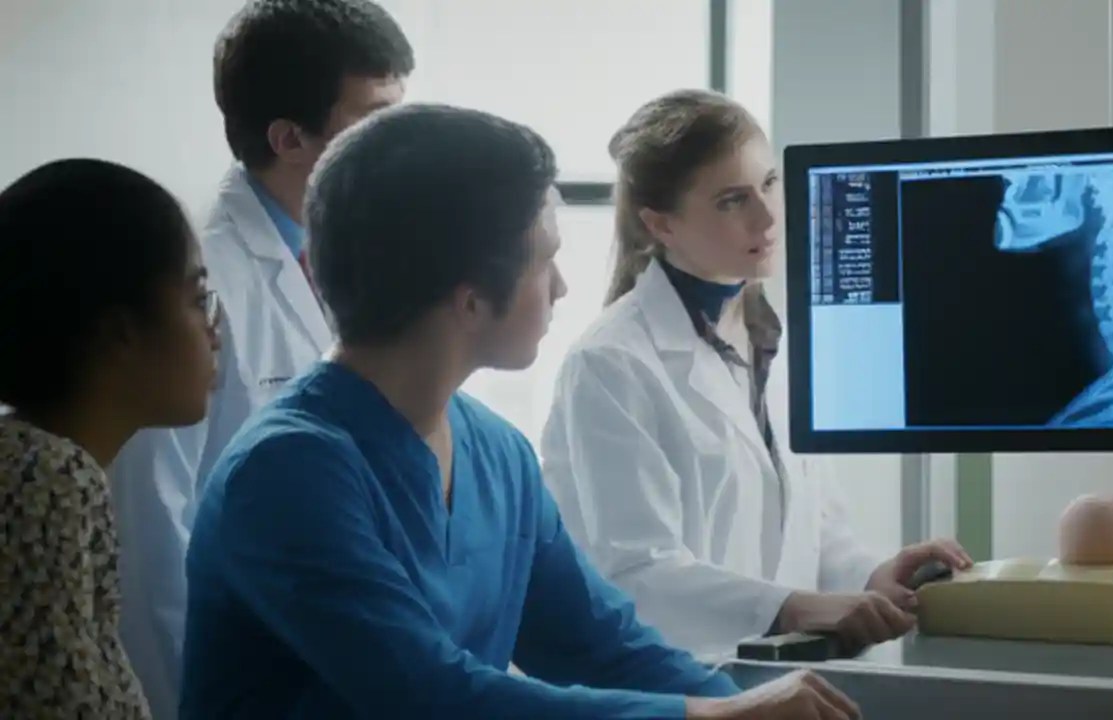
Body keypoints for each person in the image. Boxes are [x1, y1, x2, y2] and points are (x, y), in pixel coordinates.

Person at [180, 103, 861, 720]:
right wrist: (709, 719)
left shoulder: (496, 453)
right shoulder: (285, 474)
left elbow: (602, 645)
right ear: (470, 299)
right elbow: (432, 697)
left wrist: (751, 708)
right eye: (546, 261)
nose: (563, 286)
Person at [540, 89, 975, 658]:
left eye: (769, 183)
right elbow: (636, 574)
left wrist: (875, 576)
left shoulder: (774, 339)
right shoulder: (609, 365)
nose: (768, 216)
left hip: (774, 680)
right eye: (731, 200)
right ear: (660, 223)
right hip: (673, 688)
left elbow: (813, 529)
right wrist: (792, 606)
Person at [106, 2, 414, 716]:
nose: (404, 141)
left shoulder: (364, 256)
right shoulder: (198, 279)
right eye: (376, 117)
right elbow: (154, 543)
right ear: (290, 138)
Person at [0, 159, 221, 718]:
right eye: (198, 301)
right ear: (119, 330)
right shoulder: (47, 478)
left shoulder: (40, 465)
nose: (214, 331)